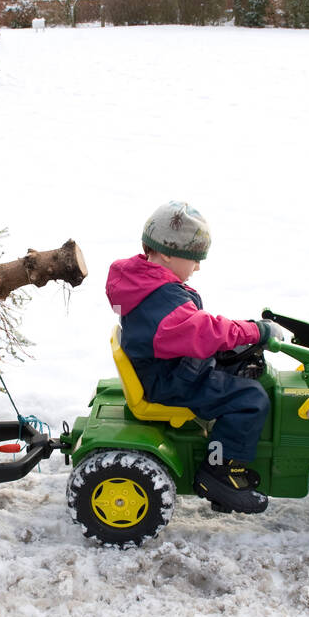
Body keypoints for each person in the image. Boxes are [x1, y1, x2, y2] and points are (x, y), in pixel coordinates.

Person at [104, 201, 288, 514]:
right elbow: (202, 330)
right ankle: (220, 474)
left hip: (165, 364)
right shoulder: (160, 299)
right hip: (169, 379)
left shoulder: (142, 281)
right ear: (165, 253)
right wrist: (254, 332)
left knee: (239, 367)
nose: (198, 267)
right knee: (249, 398)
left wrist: (238, 339)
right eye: (194, 258)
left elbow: (193, 331)